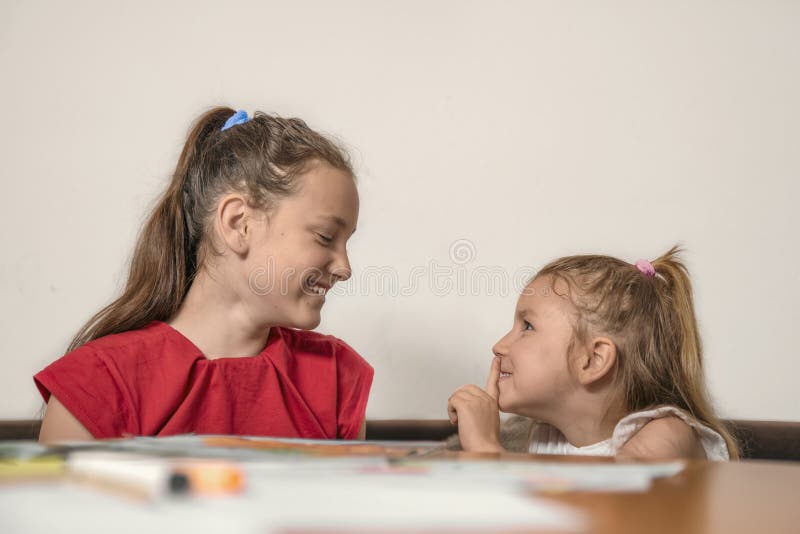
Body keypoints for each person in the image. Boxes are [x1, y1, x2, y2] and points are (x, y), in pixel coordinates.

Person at [35, 107, 373, 442]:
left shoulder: (337, 380)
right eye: (326, 237)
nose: (344, 268)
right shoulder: (96, 385)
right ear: (238, 223)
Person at [447, 246, 737, 460]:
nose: (499, 346)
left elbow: (613, 507)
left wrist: (485, 448)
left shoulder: (666, 435)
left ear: (593, 360)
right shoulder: (541, 437)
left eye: (527, 326)